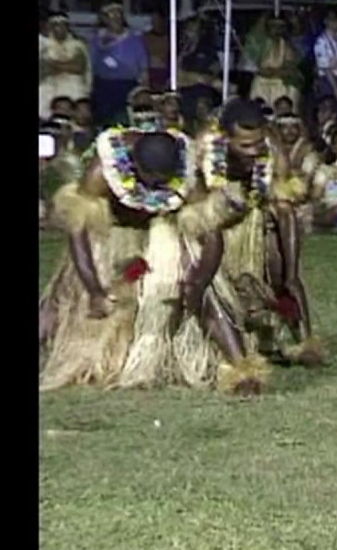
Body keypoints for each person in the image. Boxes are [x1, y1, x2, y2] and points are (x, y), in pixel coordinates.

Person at [39, 127, 266, 394]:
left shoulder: (188, 177)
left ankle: (242, 369)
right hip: (111, 230)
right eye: (151, 179)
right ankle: (96, 357)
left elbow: (213, 238)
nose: (157, 186)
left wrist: (199, 282)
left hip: (164, 228)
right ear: (135, 165)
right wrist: (93, 289)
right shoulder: (102, 172)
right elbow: (78, 233)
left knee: (210, 297)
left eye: (163, 180)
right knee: (63, 297)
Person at [184, 100, 323, 367]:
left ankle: (304, 341)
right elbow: (195, 210)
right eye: (244, 146)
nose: (253, 151)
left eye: (256, 144)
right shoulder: (205, 148)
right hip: (211, 221)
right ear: (225, 138)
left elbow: (284, 208)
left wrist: (292, 272)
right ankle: (217, 344)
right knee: (216, 283)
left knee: (279, 270)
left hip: (253, 217)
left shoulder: (270, 147)